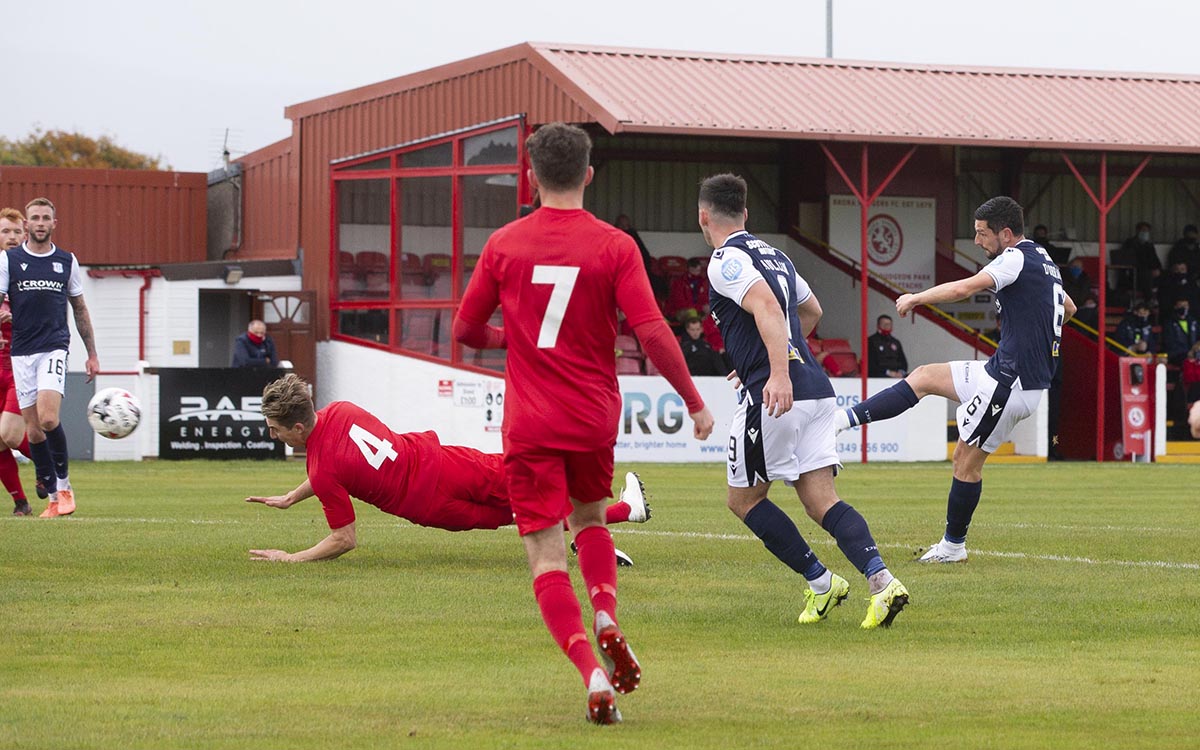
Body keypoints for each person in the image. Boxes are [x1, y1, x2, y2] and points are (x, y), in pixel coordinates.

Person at [453, 122, 715, 725]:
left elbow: (466, 332)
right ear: (589, 175)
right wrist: (694, 402)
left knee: (546, 556)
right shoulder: (615, 245)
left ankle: (590, 672)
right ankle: (607, 616)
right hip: (592, 417)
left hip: (530, 423)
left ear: (530, 176)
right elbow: (651, 328)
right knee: (592, 519)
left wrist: (511, 337)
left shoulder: (503, 244)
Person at [699, 172, 909, 630]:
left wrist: (776, 371)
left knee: (744, 500)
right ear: (747, 214)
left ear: (704, 216)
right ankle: (882, 582)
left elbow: (769, 310)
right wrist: (787, 358)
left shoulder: (724, 260)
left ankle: (820, 582)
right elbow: (811, 312)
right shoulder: (777, 256)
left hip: (777, 395)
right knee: (821, 499)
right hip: (817, 390)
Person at [837, 196, 1075, 563]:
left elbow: (964, 288)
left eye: (982, 234)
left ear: (1006, 234)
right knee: (924, 377)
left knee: (965, 460)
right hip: (1003, 370)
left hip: (1011, 383)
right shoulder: (1043, 260)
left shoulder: (1013, 258)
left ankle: (953, 546)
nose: (978, 242)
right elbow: (1068, 308)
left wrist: (915, 298)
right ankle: (841, 421)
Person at [246, 374, 651, 565]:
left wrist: (290, 559)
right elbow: (334, 465)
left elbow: (343, 539)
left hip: (434, 508)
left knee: (524, 512)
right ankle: (608, 518)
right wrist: (293, 496)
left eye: (275, 429)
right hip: (441, 463)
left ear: (297, 427)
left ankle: (617, 515)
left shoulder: (323, 468)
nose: (274, 435)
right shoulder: (342, 410)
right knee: (528, 492)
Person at [0, 198, 99, 518]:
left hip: (54, 347)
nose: (40, 223)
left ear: (54, 223)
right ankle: (53, 497)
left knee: (47, 417)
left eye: (46, 218)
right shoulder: (9, 261)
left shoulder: (66, 261)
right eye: (35, 218)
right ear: (27, 224)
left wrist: (92, 354)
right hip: (21, 352)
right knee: (33, 431)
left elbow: (80, 308)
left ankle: (65, 487)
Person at [0, 208, 33, 516]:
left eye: (15, 232)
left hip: (18, 365)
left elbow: (48, 318)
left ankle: (50, 466)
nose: (10, 237)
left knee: (9, 435)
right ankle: (21, 503)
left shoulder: (32, 273)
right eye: (4, 232)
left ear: (25, 235)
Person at [613, 214, 666, 300]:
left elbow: (644, 255)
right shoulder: (614, 235)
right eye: (622, 225)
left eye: (626, 226)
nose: (625, 228)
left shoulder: (633, 236)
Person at [1115, 221, 1161, 297]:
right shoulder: (1130, 243)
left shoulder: (1149, 245)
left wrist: (1157, 269)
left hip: (1148, 272)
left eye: (1147, 231)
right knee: (1147, 275)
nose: (1145, 233)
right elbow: (1126, 259)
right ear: (1137, 231)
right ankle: (1149, 299)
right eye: (1143, 230)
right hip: (1134, 272)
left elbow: (1155, 260)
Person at [665, 257, 710, 323]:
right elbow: (680, 303)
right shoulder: (679, 283)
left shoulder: (702, 281)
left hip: (698, 309)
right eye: (694, 270)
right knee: (692, 313)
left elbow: (705, 298)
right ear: (689, 269)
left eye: (698, 270)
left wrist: (706, 306)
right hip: (679, 311)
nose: (697, 273)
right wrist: (700, 307)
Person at [1161, 297, 1199, 366]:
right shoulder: (1169, 323)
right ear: (1175, 307)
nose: (1183, 308)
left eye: (1185, 305)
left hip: (1194, 353)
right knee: (1191, 361)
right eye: (1181, 305)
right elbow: (1169, 344)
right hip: (1177, 354)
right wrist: (1187, 352)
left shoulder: (1193, 321)